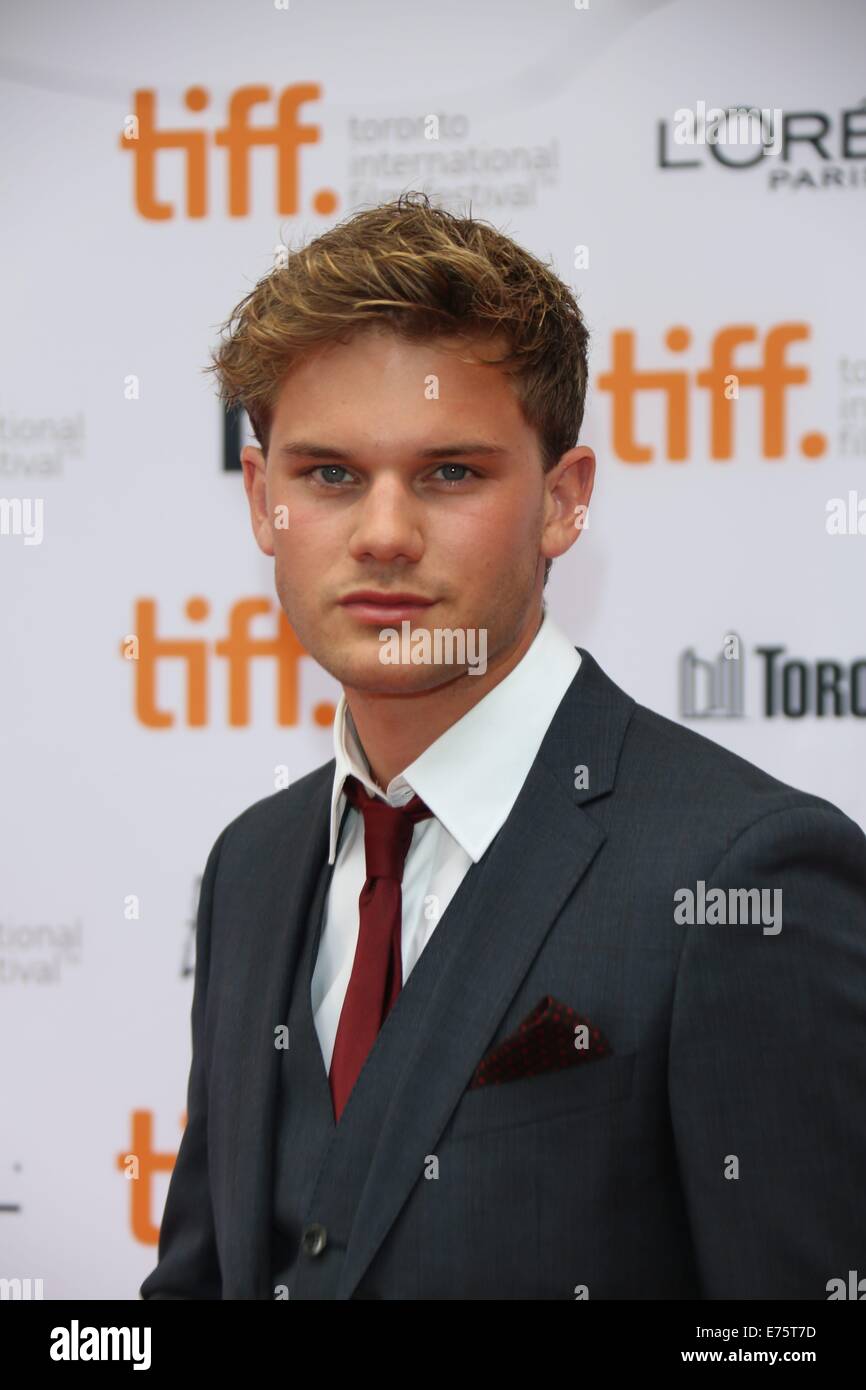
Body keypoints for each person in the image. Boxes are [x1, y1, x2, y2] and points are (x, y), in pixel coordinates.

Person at [140, 191, 866, 1300]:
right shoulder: (250, 864)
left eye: (450, 473)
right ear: (261, 502)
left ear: (562, 503)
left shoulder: (742, 872)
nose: (383, 532)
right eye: (328, 474)